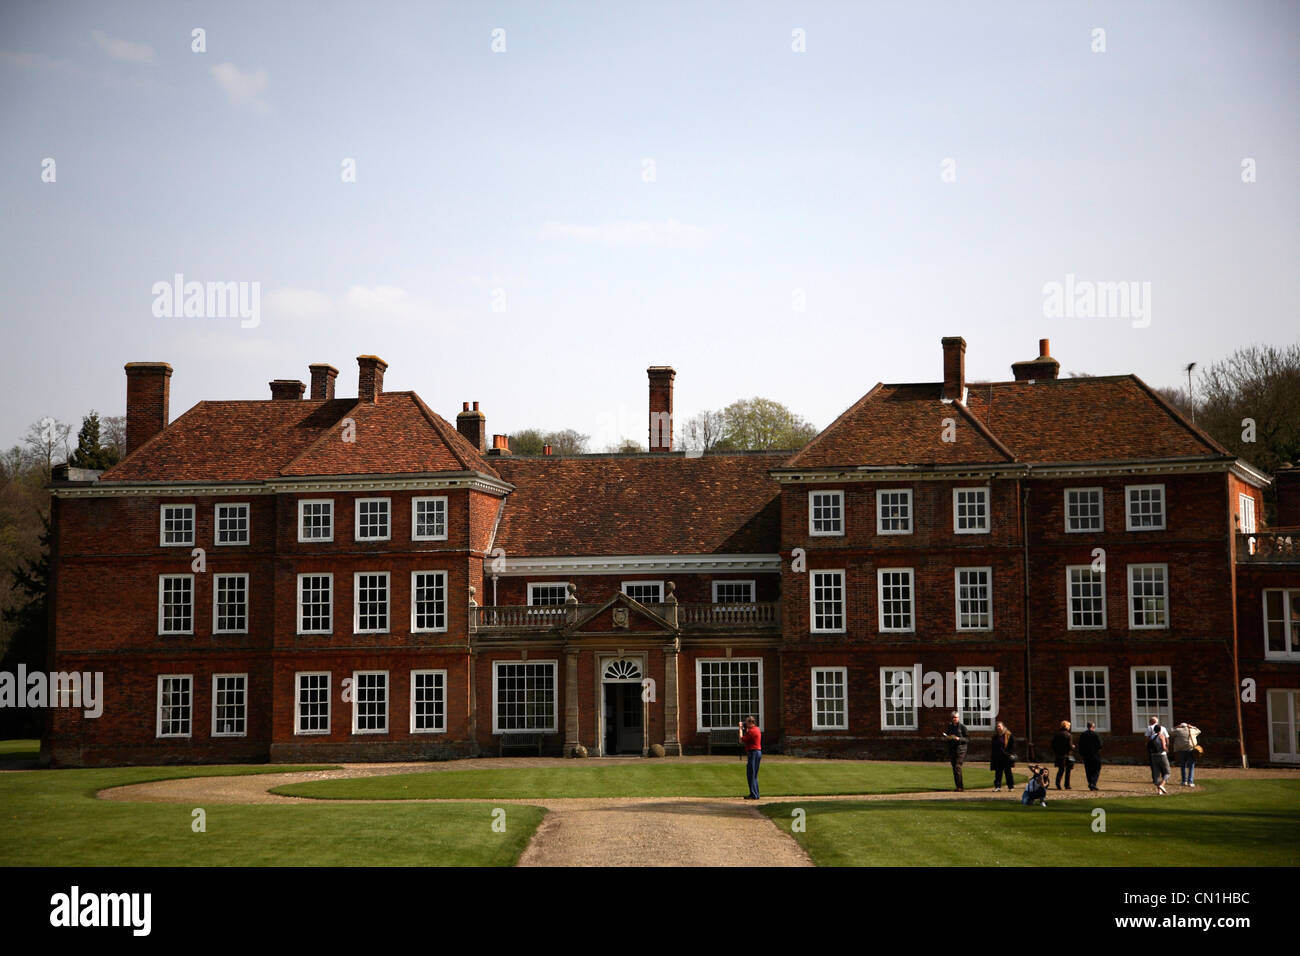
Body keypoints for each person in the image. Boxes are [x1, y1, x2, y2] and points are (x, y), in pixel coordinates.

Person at [1170, 721, 1202, 787]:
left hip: (1181, 750)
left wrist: (1176, 727)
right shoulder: (1192, 730)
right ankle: (1190, 782)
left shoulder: (1178, 730)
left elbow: (1170, 733)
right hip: (1191, 750)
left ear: (1181, 726)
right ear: (1187, 726)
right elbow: (1199, 731)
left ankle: (1184, 781)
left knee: (1183, 766)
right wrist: (1192, 726)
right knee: (1191, 766)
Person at [943, 711, 969, 791]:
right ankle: (958, 786)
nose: (955, 719)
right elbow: (947, 735)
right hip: (952, 749)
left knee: (957, 766)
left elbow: (968, 739)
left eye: (956, 717)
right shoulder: (950, 727)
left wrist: (959, 739)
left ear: (958, 718)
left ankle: (960, 787)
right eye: (953, 717)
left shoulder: (962, 727)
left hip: (961, 750)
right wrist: (947, 737)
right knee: (954, 768)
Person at [1146, 716, 1171, 794]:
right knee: (1167, 772)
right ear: (1160, 729)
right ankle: (1162, 785)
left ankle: (1159, 790)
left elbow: (1147, 742)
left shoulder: (1151, 736)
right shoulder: (1161, 735)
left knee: (1156, 774)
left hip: (1153, 755)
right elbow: (1164, 746)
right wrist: (1167, 749)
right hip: (1162, 755)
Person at [739, 716, 762, 799]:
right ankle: (756, 794)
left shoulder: (751, 731)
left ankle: (753, 794)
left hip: (753, 752)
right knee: (754, 774)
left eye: (747, 722)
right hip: (758, 752)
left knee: (751, 774)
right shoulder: (757, 729)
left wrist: (740, 729)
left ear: (750, 722)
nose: (746, 724)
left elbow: (741, 740)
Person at [990, 720, 1016, 792]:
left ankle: (1010, 786)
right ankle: (997, 786)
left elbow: (1012, 746)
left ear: (1003, 727)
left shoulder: (1009, 735)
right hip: (998, 756)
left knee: (1008, 772)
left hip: (1006, 756)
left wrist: (1011, 754)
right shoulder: (995, 737)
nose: (998, 728)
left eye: (999, 726)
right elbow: (993, 747)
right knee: (998, 772)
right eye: (997, 726)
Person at [1077, 721, 1103, 791]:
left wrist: (1081, 754)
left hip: (1086, 755)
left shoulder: (1083, 734)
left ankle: (1090, 782)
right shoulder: (1096, 734)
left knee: (1088, 770)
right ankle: (1093, 783)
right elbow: (1100, 745)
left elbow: (1080, 745)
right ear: (1093, 727)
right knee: (1097, 769)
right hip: (1095, 754)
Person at [1051, 720, 1074, 790]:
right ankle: (1067, 785)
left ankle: (1058, 784)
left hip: (1059, 754)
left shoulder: (1056, 734)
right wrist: (1073, 747)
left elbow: (1053, 745)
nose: (1070, 727)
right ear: (1067, 726)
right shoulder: (1069, 735)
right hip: (1067, 755)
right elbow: (1070, 746)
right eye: (1069, 726)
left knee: (1060, 770)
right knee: (1068, 770)